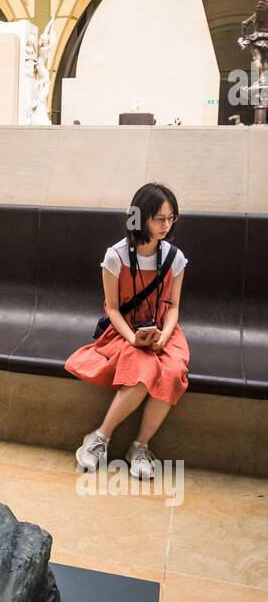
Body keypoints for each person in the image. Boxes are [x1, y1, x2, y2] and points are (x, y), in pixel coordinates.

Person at [65, 183, 189, 479]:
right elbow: (111, 308)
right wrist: (134, 338)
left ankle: (140, 446)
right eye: (159, 218)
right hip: (125, 330)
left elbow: (172, 308)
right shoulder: (116, 256)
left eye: (171, 218)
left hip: (163, 330)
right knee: (144, 368)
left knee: (172, 372)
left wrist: (164, 335)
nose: (166, 225)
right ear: (140, 217)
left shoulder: (175, 258)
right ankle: (99, 438)